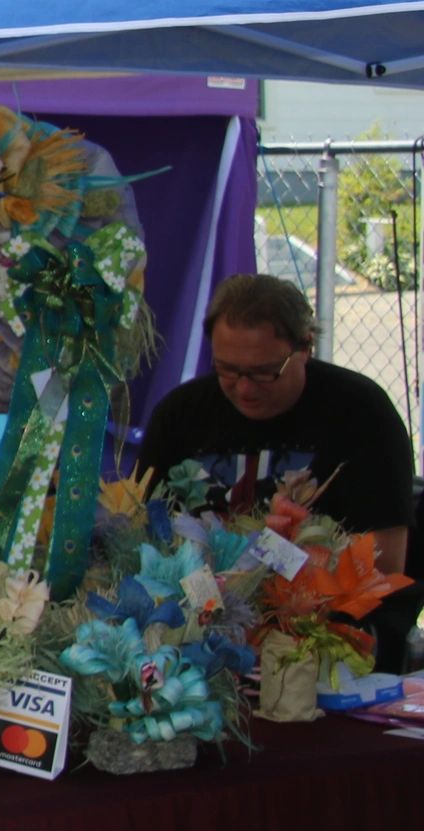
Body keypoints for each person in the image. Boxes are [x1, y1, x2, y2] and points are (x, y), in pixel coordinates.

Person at [139, 274, 418, 666]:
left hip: (321, 645)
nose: (245, 389)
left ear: (305, 346)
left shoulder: (361, 413)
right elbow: (146, 541)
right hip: (196, 639)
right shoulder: (180, 415)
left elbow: (386, 566)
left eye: (265, 372)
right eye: (227, 371)